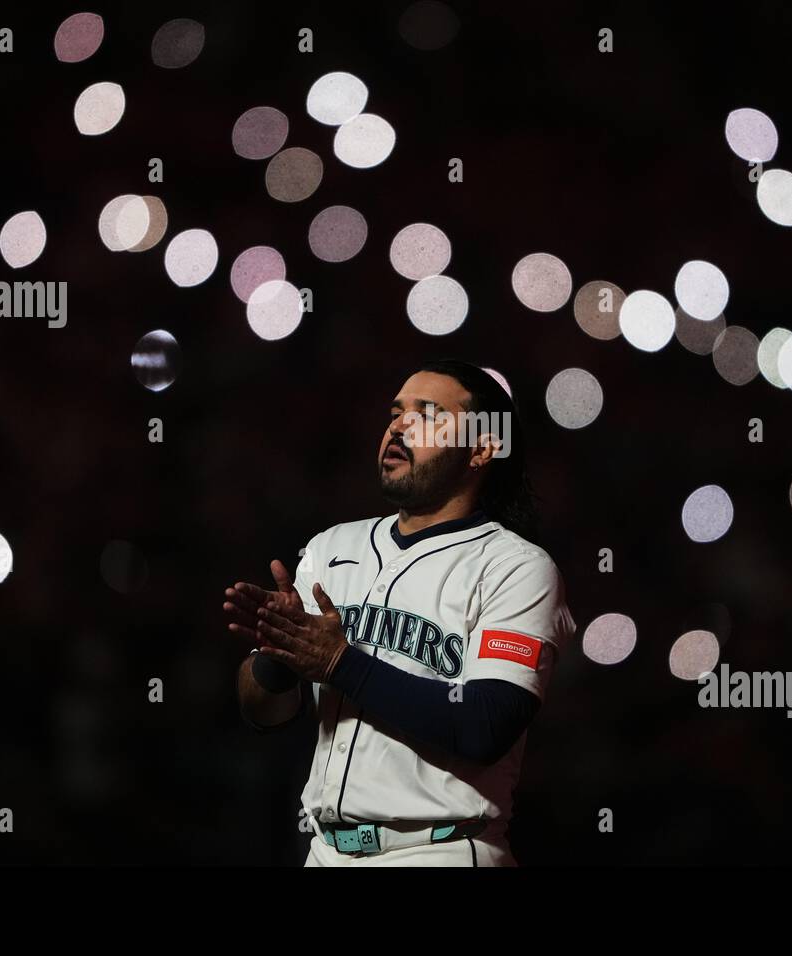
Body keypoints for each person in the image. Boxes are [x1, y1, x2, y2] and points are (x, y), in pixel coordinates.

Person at [223, 359, 575, 866]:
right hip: (325, 851)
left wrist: (339, 663)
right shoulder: (330, 547)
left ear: (482, 447)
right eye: (396, 411)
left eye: (428, 414)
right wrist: (279, 656)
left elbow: (486, 725)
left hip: (440, 848)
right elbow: (262, 713)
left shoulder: (515, 566)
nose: (399, 425)